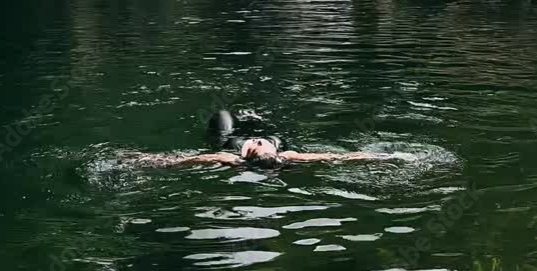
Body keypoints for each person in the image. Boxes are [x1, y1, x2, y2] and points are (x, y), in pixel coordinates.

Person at [127, 111, 404, 170]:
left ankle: (243, 120)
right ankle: (254, 118)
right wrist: (384, 157)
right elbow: (334, 156)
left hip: (230, 139)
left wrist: (147, 161)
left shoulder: (231, 156)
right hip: (273, 143)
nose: (260, 142)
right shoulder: (287, 154)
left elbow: (191, 159)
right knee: (264, 124)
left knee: (222, 115)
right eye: (263, 144)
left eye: (259, 144)